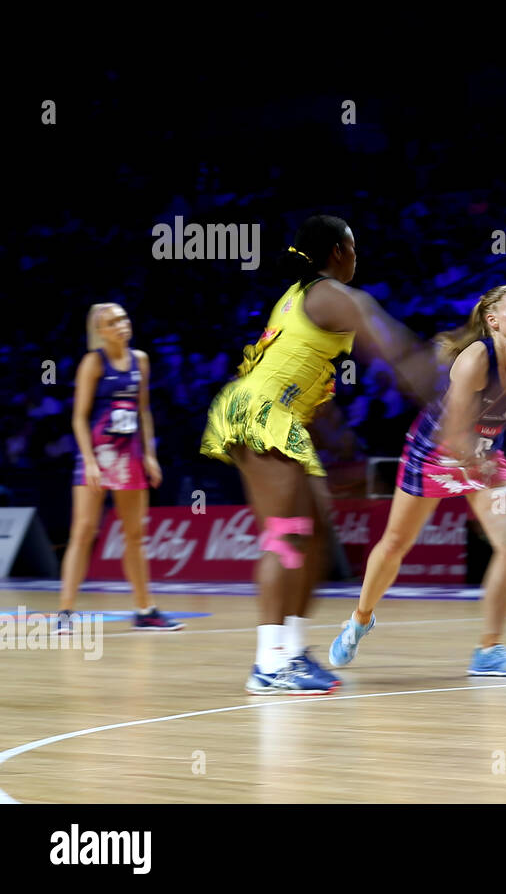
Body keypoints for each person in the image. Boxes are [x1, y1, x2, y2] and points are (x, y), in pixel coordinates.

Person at [201, 214, 438, 694]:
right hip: (260, 412)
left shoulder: (298, 298)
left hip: (278, 414)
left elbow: (300, 373)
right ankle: (269, 665)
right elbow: (400, 354)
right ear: (337, 251)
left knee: (313, 533)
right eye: (353, 247)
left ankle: (290, 651)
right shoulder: (336, 296)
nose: (357, 256)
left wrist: (336, 435)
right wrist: (451, 401)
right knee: (286, 536)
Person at [329, 285, 506, 678]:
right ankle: (360, 620)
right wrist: (475, 465)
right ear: (493, 320)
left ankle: (489, 650)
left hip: (485, 453)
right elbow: (453, 433)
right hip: (433, 452)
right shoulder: (475, 359)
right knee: (395, 544)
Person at [57, 303, 181, 633]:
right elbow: (79, 418)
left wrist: (150, 455)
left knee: (135, 536)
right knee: (83, 533)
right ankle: (66, 613)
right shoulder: (93, 363)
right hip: (96, 457)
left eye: (124, 317)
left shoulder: (141, 360)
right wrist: (90, 462)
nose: (122, 324)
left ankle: (145, 610)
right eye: (113, 322)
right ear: (101, 332)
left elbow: (143, 412)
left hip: (130, 456)